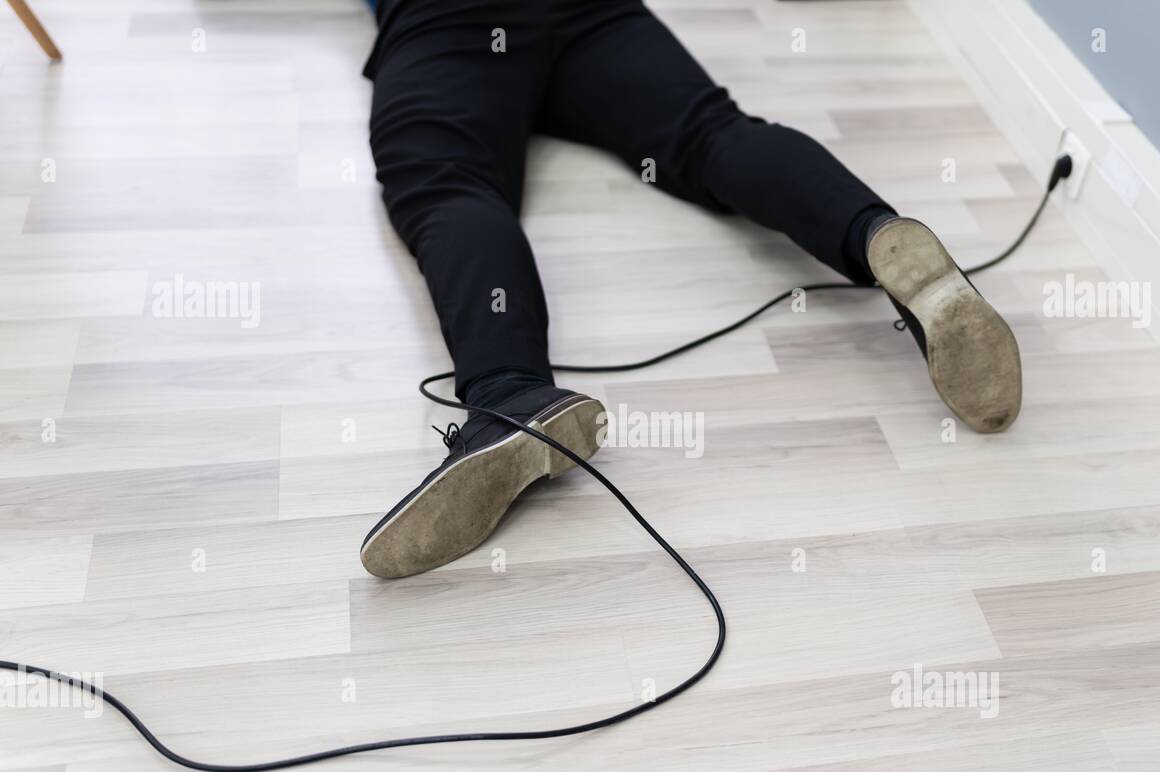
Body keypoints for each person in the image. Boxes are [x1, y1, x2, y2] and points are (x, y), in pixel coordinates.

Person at [358, 0, 1022, 579]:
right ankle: (876, 233)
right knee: (712, 135)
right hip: (592, 16)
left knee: (446, 179)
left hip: (447, 17)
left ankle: (510, 395)